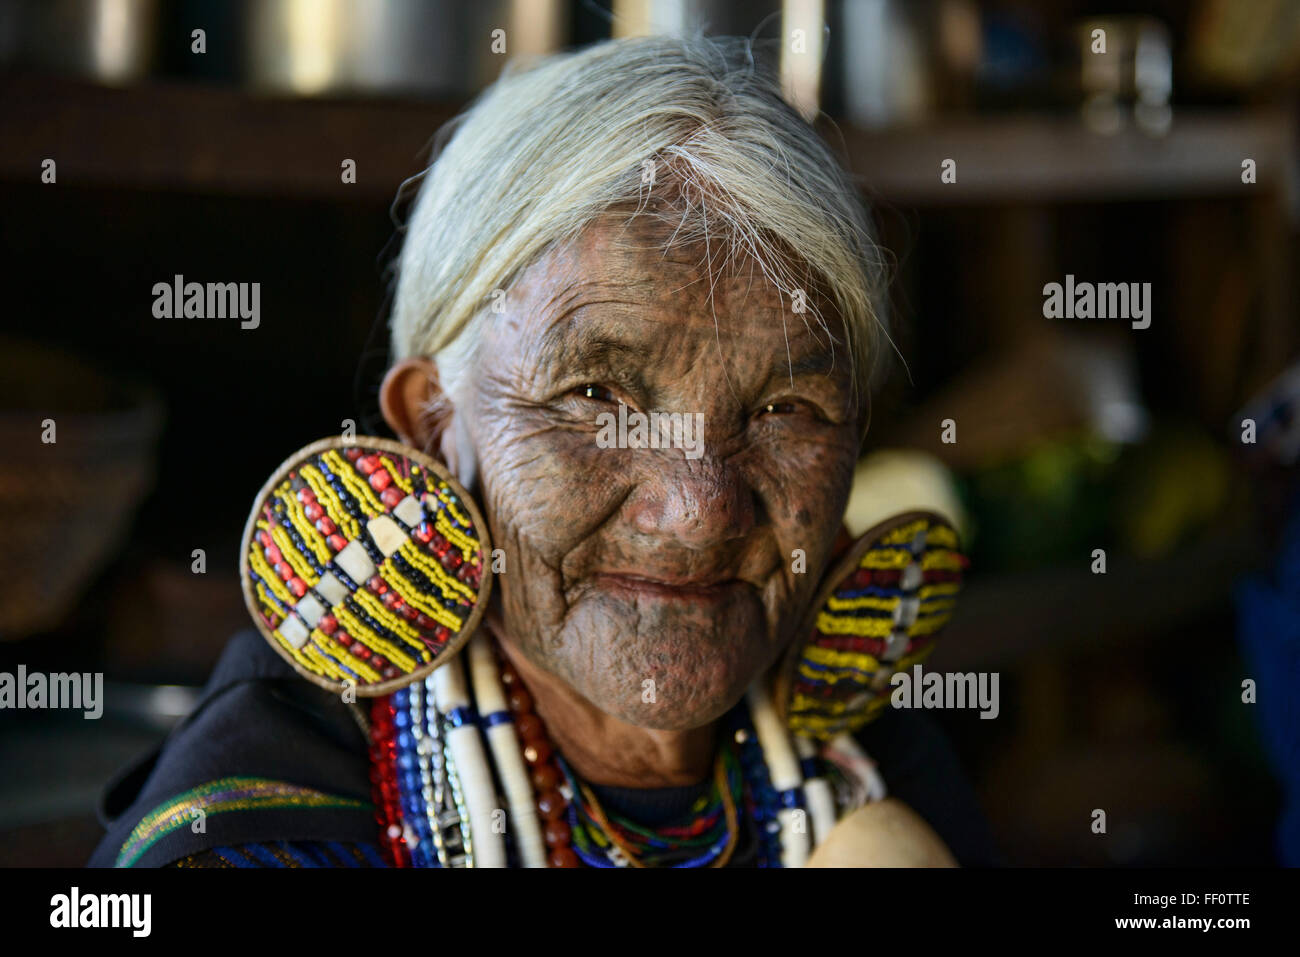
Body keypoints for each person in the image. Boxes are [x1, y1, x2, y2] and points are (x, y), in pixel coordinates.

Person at [90, 34, 997, 868]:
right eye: (595, 396)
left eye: (788, 408)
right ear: (433, 422)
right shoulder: (254, 830)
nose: (700, 508)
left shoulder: (873, 758)